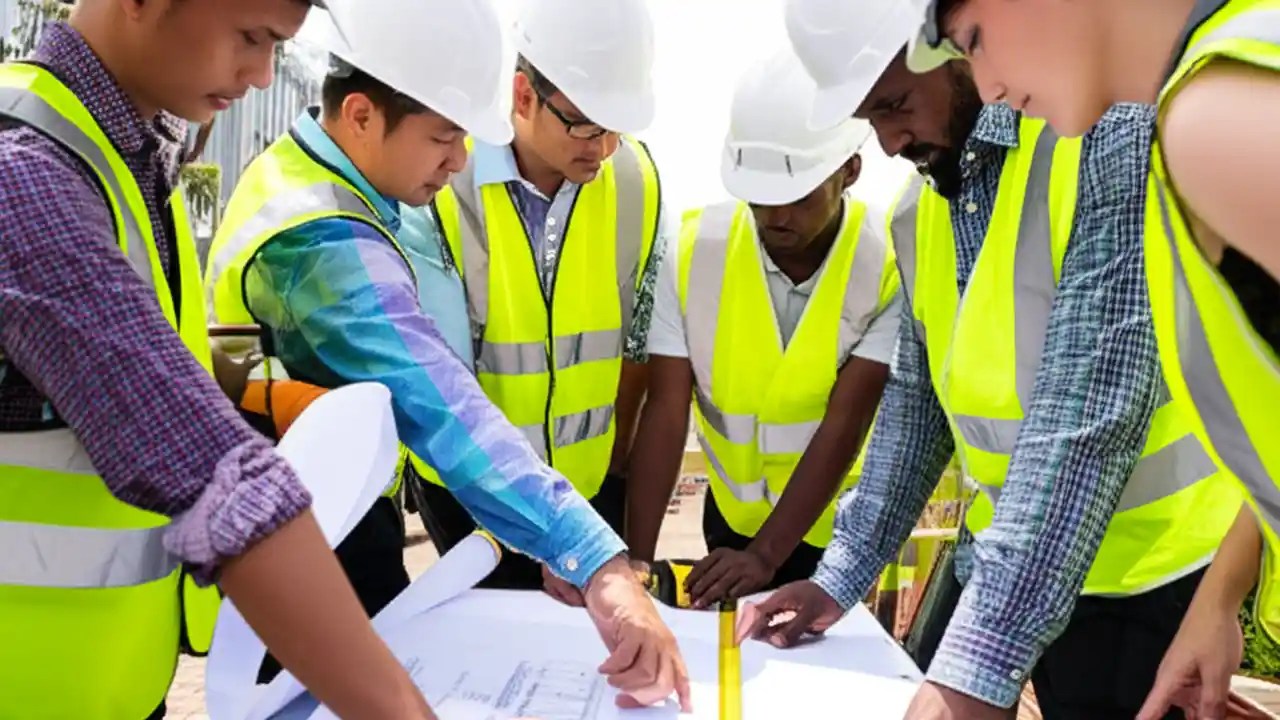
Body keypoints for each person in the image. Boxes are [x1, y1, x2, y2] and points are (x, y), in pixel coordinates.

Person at [740, 2, 1245, 719]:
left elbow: (1086, 423)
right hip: (1020, 566)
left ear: (955, 49)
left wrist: (971, 674)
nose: (889, 142)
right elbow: (914, 414)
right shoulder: (917, 218)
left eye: (896, 106)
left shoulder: (1110, 140)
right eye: (869, 118)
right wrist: (840, 576)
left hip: (1152, 585)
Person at [203, 0, 690, 709]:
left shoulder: (313, 178)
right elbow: (440, 401)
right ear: (363, 116)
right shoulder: (321, 242)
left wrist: (554, 547)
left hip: (310, 503)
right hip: (303, 535)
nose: (461, 161)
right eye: (443, 137)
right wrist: (596, 561)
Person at [0, 0, 439, 717]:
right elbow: (208, 468)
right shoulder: (26, 175)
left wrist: (269, 395)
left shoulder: (130, 158)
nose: (265, 75)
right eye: (251, 37)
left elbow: (162, 350)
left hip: (109, 685)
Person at [909, 1, 1280, 717]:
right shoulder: (1207, 94)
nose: (984, 87)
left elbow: (1090, 416)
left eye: (976, 41)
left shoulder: (1212, 122)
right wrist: (1220, 600)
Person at [409, 0, 671, 601]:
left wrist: (614, 484)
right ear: (523, 95)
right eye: (583, 124)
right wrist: (529, 527)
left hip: (586, 489)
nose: (602, 147)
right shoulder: (442, 177)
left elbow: (636, 344)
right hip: (466, 491)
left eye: (615, 125)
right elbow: (436, 380)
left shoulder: (635, 181)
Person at [625, 49, 900, 609]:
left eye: (796, 197)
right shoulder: (690, 254)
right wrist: (635, 561)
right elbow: (667, 410)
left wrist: (766, 557)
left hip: (837, 537)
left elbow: (847, 422)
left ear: (849, 169)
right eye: (761, 195)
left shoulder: (890, 264)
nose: (776, 216)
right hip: (729, 523)